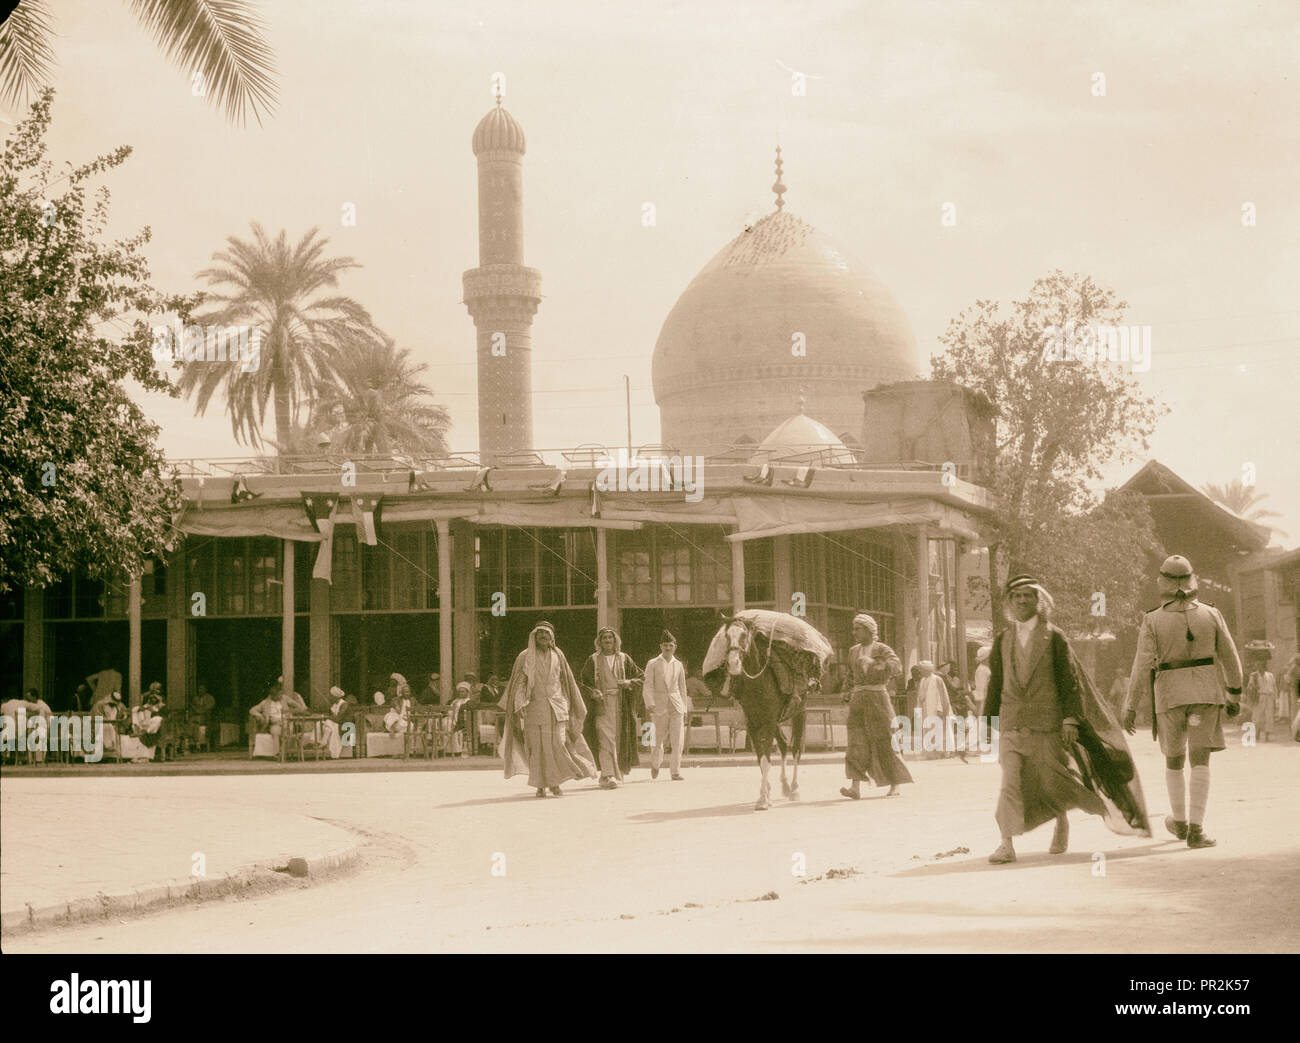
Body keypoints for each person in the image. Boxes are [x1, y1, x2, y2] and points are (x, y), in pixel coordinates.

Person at [1124, 555, 1243, 849]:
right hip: (1205, 693)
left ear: (1162, 582)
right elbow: (1230, 657)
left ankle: (1179, 821)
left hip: (1170, 696)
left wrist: (1130, 705)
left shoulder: (1152, 619)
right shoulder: (1211, 614)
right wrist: (1234, 693)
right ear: (1192, 579)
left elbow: (1141, 666)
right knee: (1200, 758)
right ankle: (1197, 830)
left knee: (1174, 759)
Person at [985, 575, 1105, 864]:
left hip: (1046, 723)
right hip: (1013, 722)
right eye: (1017, 596)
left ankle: (1061, 820)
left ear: (1039, 601)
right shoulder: (1003, 638)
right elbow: (996, 683)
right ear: (1009, 602)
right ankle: (1006, 844)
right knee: (1010, 781)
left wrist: (1070, 720)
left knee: (1051, 781)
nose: (1023, 600)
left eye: (1028, 595)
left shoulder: (1054, 637)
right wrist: (988, 723)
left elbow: (1069, 681)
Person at [502, 621, 597, 796]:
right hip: (533, 709)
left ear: (552, 637)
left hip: (556, 708)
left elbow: (567, 681)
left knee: (557, 746)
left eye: (547, 634)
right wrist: (520, 702)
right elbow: (519, 683)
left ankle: (555, 783)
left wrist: (571, 704)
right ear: (534, 636)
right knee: (536, 748)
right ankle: (540, 785)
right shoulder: (525, 656)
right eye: (540, 634)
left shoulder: (558, 655)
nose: (544, 637)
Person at [840, 613, 910, 799]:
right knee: (856, 741)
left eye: (858, 629)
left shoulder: (882, 649)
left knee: (886, 739)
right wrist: (846, 691)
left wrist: (875, 663)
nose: (854, 632)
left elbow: (897, 666)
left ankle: (895, 784)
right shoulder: (853, 651)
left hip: (878, 697)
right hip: (858, 699)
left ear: (869, 630)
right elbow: (849, 674)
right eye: (854, 629)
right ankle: (855, 787)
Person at [579, 627, 644, 789]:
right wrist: (593, 692)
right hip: (601, 705)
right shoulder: (593, 659)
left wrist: (629, 682)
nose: (607, 641)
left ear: (615, 641)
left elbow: (641, 677)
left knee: (617, 739)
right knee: (604, 739)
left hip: (620, 706)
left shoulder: (624, 658)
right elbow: (583, 683)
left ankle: (613, 774)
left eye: (610, 638)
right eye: (604, 638)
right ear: (599, 641)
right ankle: (608, 774)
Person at [642, 630, 688, 781]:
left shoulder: (678, 664)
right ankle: (655, 764)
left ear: (675, 647)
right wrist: (650, 703)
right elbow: (647, 685)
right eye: (665, 645)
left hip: (676, 705)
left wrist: (685, 708)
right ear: (660, 646)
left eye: (670, 645)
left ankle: (675, 771)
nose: (668, 648)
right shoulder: (653, 663)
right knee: (656, 740)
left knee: (678, 740)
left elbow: (682, 687)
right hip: (659, 706)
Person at [916, 661, 953, 759]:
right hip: (926, 708)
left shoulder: (937, 679)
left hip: (936, 709)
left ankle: (942, 752)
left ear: (927, 670)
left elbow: (942, 695)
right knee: (928, 730)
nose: (920, 671)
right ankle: (930, 753)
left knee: (939, 730)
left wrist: (940, 709)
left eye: (921, 669)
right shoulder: (923, 680)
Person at [249, 685, 287, 757]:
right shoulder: (265, 703)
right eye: (279, 695)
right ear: (272, 695)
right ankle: (277, 753)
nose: (280, 696)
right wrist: (260, 716)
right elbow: (252, 710)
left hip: (286, 722)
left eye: (281, 694)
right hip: (275, 724)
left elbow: (298, 706)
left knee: (288, 731)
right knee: (275, 732)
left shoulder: (283, 700)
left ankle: (287, 753)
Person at [973, 646, 992, 716]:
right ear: (986, 658)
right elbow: (981, 687)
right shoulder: (983, 670)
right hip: (984, 699)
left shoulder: (986, 669)